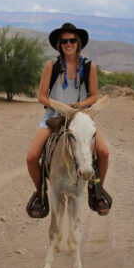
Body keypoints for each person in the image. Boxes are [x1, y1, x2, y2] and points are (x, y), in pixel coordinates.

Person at [26, 22, 111, 217]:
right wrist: (61, 107)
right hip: (54, 116)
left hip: (80, 117)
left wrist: (78, 106)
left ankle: (97, 191)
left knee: (103, 153)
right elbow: (41, 96)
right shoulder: (52, 66)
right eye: (64, 41)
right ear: (59, 44)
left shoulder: (89, 67)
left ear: (78, 42)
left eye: (72, 40)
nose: (68, 44)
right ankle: (40, 193)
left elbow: (93, 97)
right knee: (31, 157)